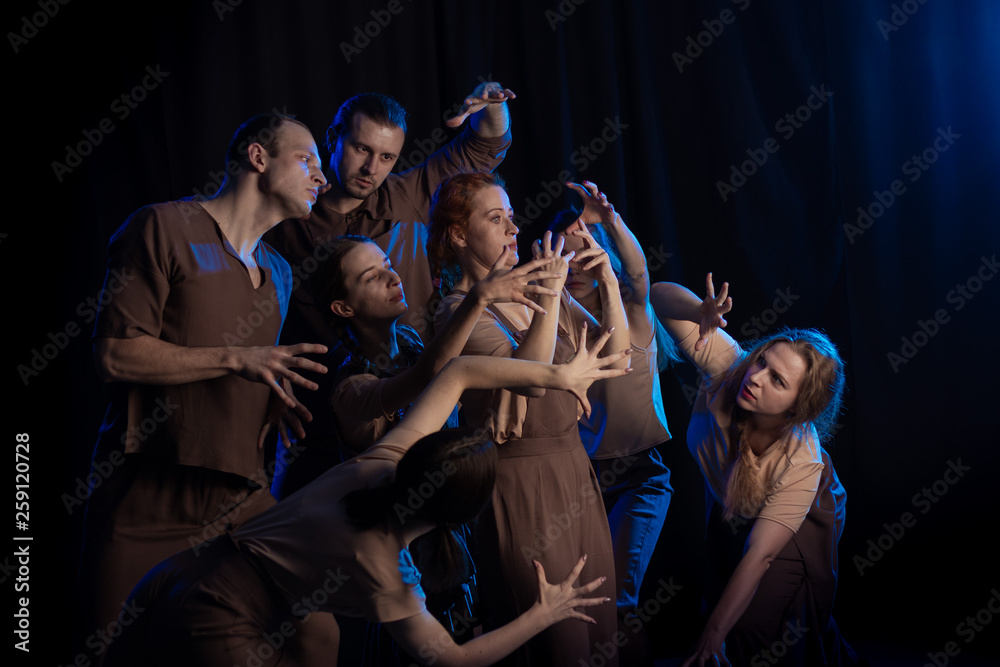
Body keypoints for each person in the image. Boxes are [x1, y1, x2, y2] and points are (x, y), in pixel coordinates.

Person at [103, 330, 632, 667]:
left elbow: (459, 371)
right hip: (220, 613)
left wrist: (558, 376)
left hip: (181, 571)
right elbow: (450, 658)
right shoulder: (384, 567)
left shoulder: (382, 462)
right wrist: (545, 612)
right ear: (460, 517)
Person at [76, 113, 330, 659]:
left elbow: (256, 365)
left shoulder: (280, 271)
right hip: (149, 495)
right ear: (258, 158)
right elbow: (115, 354)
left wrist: (270, 400)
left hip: (239, 501)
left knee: (315, 630)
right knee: (110, 651)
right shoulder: (160, 227)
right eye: (307, 158)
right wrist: (237, 358)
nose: (322, 177)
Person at [291, 234, 561, 664]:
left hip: (451, 531)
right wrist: (478, 299)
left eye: (387, 264)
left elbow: (449, 392)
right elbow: (434, 376)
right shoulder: (349, 386)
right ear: (343, 307)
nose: (391, 275)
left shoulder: (415, 343)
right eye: (372, 276)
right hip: (398, 550)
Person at [264, 82, 515, 496]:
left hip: (418, 407)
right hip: (316, 419)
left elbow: (483, 146)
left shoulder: (411, 195)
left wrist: (492, 106)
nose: (371, 169)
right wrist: (267, 389)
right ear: (333, 139)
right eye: (361, 150)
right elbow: (260, 313)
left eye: (386, 157)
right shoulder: (287, 218)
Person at [429, 171, 631, 666]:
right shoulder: (457, 311)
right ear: (459, 235)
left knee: (601, 637)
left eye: (512, 219)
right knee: (557, 646)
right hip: (520, 482)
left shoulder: (544, 294)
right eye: (496, 220)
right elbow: (534, 380)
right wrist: (548, 297)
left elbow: (620, 358)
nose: (513, 230)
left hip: (574, 474)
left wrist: (608, 283)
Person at [650, 275, 860, 666]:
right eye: (763, 360)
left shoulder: (802, 461)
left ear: (797, 410)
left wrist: (714, 636)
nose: (756, 377)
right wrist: (700, 311)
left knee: (760, 623)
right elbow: (655, 293)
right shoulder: (730, 365)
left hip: (809, 510)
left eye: (777, 380)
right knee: (719, 601)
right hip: (736, 502)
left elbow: (759, 556)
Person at [548, 182, 678, 662]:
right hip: (582, 478)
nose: (576, 267)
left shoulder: (635, 315)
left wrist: (610, 221)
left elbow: (640, 273)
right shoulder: (561, 319)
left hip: (640, 476)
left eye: (587, 255)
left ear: (606, 260)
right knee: (584, 607)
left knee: (618, 604)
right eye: (566, 257)